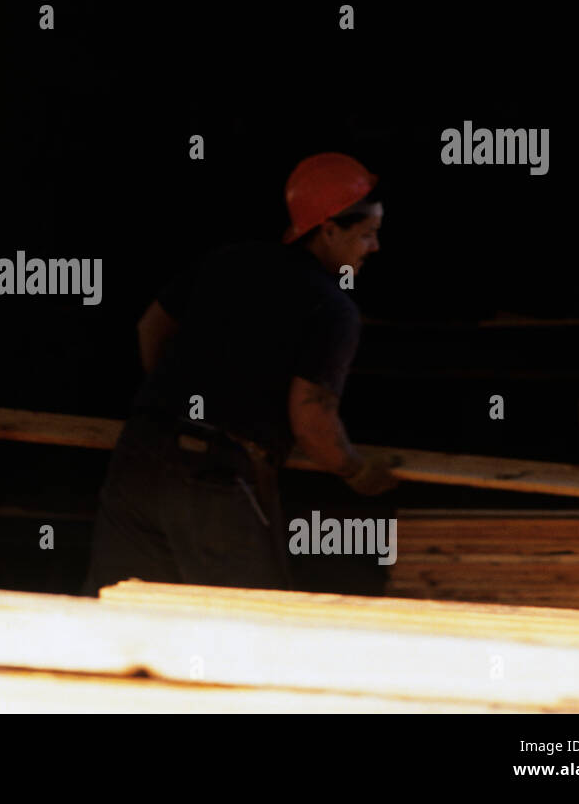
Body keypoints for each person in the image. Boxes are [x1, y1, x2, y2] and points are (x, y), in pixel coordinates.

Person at [81, 152, 398, 597]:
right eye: (367, 235)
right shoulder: (333, 307)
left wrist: (176, 408)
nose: (375, 248)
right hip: (213, 480)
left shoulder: (229, 259)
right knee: (250, 626)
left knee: (122, 611)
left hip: (139, 456)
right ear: (328, 229)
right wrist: (356, 470)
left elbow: (150, 326)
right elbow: (312, 419)